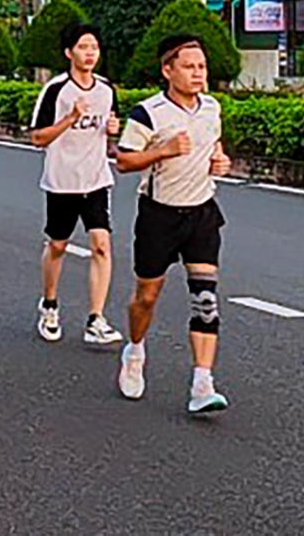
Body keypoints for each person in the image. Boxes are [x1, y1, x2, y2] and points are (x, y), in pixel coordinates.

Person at [113, 33, 233, 415]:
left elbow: (214, 144)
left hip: (201, 213)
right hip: (159, 215)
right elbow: (124, 161)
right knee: (146, 297)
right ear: (168, 71)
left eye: (202, 66)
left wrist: (220, 160)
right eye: (189, 67)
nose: (198, 74)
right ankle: (134, 350)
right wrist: (163, 150)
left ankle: (202, 382)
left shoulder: (212, 107)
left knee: (205, 300)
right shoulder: (147, 113)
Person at [28, 22, 124, 347]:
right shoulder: (56, 90)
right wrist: (69, 119)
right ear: (69, 53)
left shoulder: (107, 89)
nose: (90, 53)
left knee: (101, 244)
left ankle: (96, 318)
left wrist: (113, 131)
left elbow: (112, 140)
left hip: (96, 180)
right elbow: (37, 138)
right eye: (83, 47)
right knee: (57, 245)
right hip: (61, 182)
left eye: (94, 47)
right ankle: (50, 304)